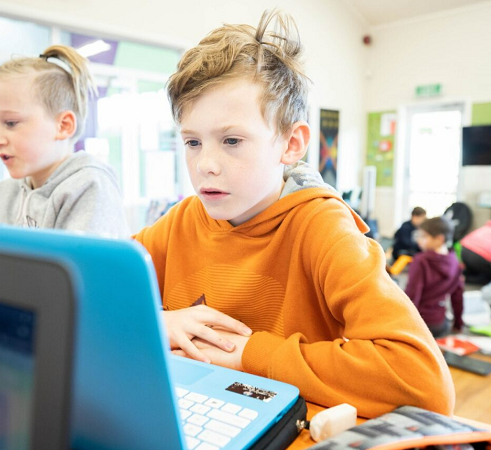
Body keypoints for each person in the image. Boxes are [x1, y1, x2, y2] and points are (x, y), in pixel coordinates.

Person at [134, 10, 453, 418]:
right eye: (193, 142)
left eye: (231, 140)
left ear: (291, 143)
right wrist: (156, 321)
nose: (205, 165)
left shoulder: (324, 230)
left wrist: (248, 352)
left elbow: (422, 381)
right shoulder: (182, 220)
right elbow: (91, 292)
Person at [0, 45, 129, 237]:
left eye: (11, 123)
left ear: (63, 126)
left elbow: (81, 266)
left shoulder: (90, 187)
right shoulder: (3, 195)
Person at [404, 217, 464, 338]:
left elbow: (412, 295)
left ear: (439, 239)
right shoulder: (454, 261)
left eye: (424, 237)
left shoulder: (421, 260)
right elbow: (457, 296)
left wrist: (404, 324)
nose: (419, 240)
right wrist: (458, 323)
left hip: (420, 323)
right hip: (440, 323)